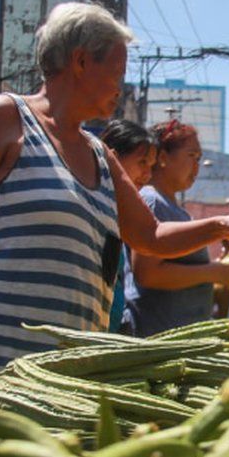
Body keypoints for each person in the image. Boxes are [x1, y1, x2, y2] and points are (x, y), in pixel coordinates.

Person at [0, 3, 229, 386]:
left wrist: (222, 226)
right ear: (81, 62)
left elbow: (151, 237)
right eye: (117, 72)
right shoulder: (6, 119)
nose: (121, 87)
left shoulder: (99, 155)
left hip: (69, 367)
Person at [123, 120, 229, 336]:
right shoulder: (152, 201)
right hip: (155, 336)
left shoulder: (173, 208)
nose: (197, 166)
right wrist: (212, 273)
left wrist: (222, 267)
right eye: (192, 156)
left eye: (199, 159)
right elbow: (148, 273)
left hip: (174, 337)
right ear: (163, 158)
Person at [100, 119, 158, 331]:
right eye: (142, 162)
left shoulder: (123, 210)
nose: (148, 175)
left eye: (151, 166)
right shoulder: (97, 206)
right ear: (113, 158)